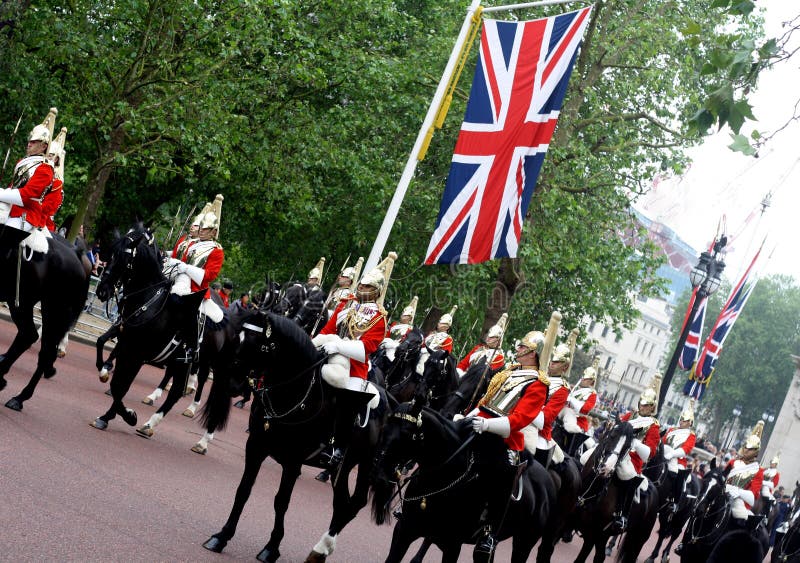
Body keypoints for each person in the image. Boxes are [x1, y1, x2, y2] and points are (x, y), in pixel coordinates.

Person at [465, 329, 549, 562]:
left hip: (505, 438)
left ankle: (490, 532)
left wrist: (487, 426)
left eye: (523, 347)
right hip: (481, 422)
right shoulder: (509, 373)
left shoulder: (539, 384)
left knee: (503, 471)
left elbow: (518, 420)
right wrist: (467, 418)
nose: (518, 349)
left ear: (533, 354)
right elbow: (486, 401)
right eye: (520, 346)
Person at [311, 252, 396, 469]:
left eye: (368, 287)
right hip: (328, 353)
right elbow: (328, 329)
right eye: (362, 285)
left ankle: (337, 448)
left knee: (348, 400)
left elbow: (366, 348)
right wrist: (312, 344)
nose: (362, 289)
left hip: (355, 367)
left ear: (376, 291)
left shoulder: (379, 318)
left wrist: (338, 345)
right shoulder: (345, 305)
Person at [581, 374, 661, 534]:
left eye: (647, 405)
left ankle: (621, 514)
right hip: (616, 450)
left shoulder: (653, 426)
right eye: (642, 403)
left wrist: (634, 442)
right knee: (587, 457)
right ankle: (582, 493)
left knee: (627, 475)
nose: (643, 407)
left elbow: (649, 453)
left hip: (632, 458)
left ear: (653, 407)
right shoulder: (630, 415)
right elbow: (618, 427)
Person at [163, 194, 225, 360]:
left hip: (196, 288)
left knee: (191, 312)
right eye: (201, 228)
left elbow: (210, 275)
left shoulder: (217, 250)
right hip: (179, 279)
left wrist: (186, 268)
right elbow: (179, 259)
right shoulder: (191, 243)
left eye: (205, 229)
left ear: (213, 231)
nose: (201, 231)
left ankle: (192, 346)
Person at [0, 108, 58, 253]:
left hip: (25, 214)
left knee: (4, 241)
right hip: (12, 207)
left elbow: (26, 195)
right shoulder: (24, 162)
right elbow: (14, 187)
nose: (29, 143)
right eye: (30, 140)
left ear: (44, 146)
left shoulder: (45, 169)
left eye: (35, 141)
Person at [532, 342, 572, 469]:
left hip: (539, 429)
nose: (552, 363)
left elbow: (547, 417)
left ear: (565, 367)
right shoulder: (537, 376)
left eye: (557, 362)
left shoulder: (562, 389)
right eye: (552, 360)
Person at [724, 420, 765, 524]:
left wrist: (738, 492)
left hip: (739, 502)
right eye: (746, 447)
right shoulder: (733, 462)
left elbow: (752, 497)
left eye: (751, 449)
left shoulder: (758, 471)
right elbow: (723, 478)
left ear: (756, 451)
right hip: (723, 495)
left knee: (741, 517)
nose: (746, 450)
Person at [662, 399, 697, 512]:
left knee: (680, 474)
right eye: (681, 419)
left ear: (690, 423)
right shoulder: (672, 429)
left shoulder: (691, 435)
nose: (681, 421)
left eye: (684, 420)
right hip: (664, 456)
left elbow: (686, 449)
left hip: (678, 461)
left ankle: (674, 501)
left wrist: (672, 454)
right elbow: (663, 441)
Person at [559, 364, 598, 456]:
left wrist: (571, 399)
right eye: (583, 377)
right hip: (563, 416)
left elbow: (585, 410)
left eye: (586, 379)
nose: (583, 379)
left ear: (591, 381)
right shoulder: (575, 388)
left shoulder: (592, 393)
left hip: (578, 422)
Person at [416, 306, 457, 375]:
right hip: (422, 351)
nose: (439, 324)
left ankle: (419, 378)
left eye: (442, 324)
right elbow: (423, 344)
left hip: (433, 358)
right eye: (440, 322)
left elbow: (445, 354)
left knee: (424, 359)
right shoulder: (432, 333)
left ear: (447, 327)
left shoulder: (448, 338)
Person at [41, 126, 67, 233]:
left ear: (56, 159)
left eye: (50, 155)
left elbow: (45, 209)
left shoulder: (56, 183)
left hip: (42, 222)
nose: (47, 157)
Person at [381, 296, 418, 363]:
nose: (402, 317)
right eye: (402, 315)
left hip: (395, 349)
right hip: (385, 343)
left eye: (405, 316)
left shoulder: (410, 329)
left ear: (410, 318)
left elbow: (404, 342)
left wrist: (394, 345)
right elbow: (388, 334)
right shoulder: (395, 324)